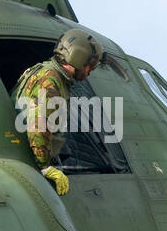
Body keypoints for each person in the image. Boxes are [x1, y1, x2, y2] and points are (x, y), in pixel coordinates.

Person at [12, 30, 103, 195]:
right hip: (30, 155)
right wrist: (45, 167)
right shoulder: (50, 79)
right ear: (78, 58)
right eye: (91, 64)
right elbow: (39, 124)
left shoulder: (54, 76)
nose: (91, 70)